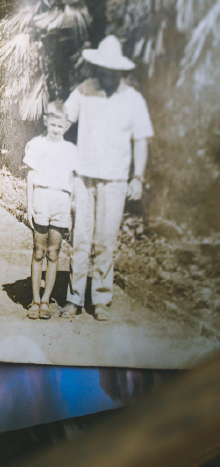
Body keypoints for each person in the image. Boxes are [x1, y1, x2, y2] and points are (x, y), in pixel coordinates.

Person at [60, 35, 153, 321]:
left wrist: (137, 177)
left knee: (105, 240)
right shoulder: (85, 91)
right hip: (85, 176)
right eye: (103, 69)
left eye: (112, 70)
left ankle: (100, 299)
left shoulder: (134, 100)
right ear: (98, 68)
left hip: (115, 180)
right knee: (81, 237)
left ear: (120, 71)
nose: (107, 75)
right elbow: (63, 119)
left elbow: (141, 140)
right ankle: (74, 298)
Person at [23, 101, 79, 320]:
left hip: (61, 202)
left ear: (66, 126)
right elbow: (30, 176)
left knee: (54, 253)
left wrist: (72, 213)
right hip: (42, 198)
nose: (56, 129)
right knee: (38, 251)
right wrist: (29, 205)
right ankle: (35, 300)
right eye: (52, 124)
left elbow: (73, 183)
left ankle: (46, 301)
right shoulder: (36, 144)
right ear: (46, 121)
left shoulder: (70, 150)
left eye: (60, 125)